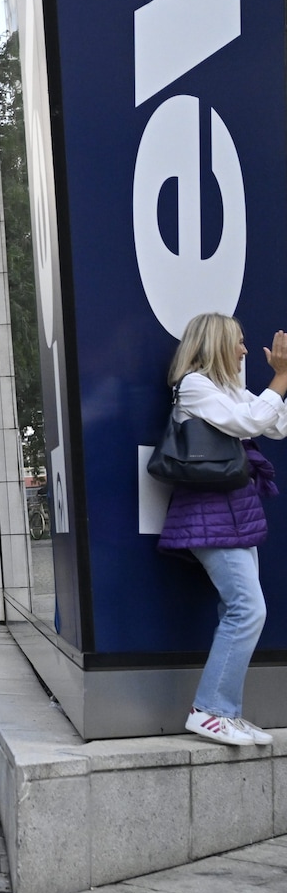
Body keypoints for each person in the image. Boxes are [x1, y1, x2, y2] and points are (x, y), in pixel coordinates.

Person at [159, 313, 287, 745]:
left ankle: (225, 711)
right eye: (239, 342)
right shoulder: (195, 386)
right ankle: (210, 710)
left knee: (238, 609)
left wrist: (279, 384)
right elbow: (248, 424)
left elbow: (275, 425)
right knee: (248, 609)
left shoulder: (226, 388)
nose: (245, 350)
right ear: (216, 344)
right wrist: (280, 381)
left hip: (233, 513)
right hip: (208, 514)